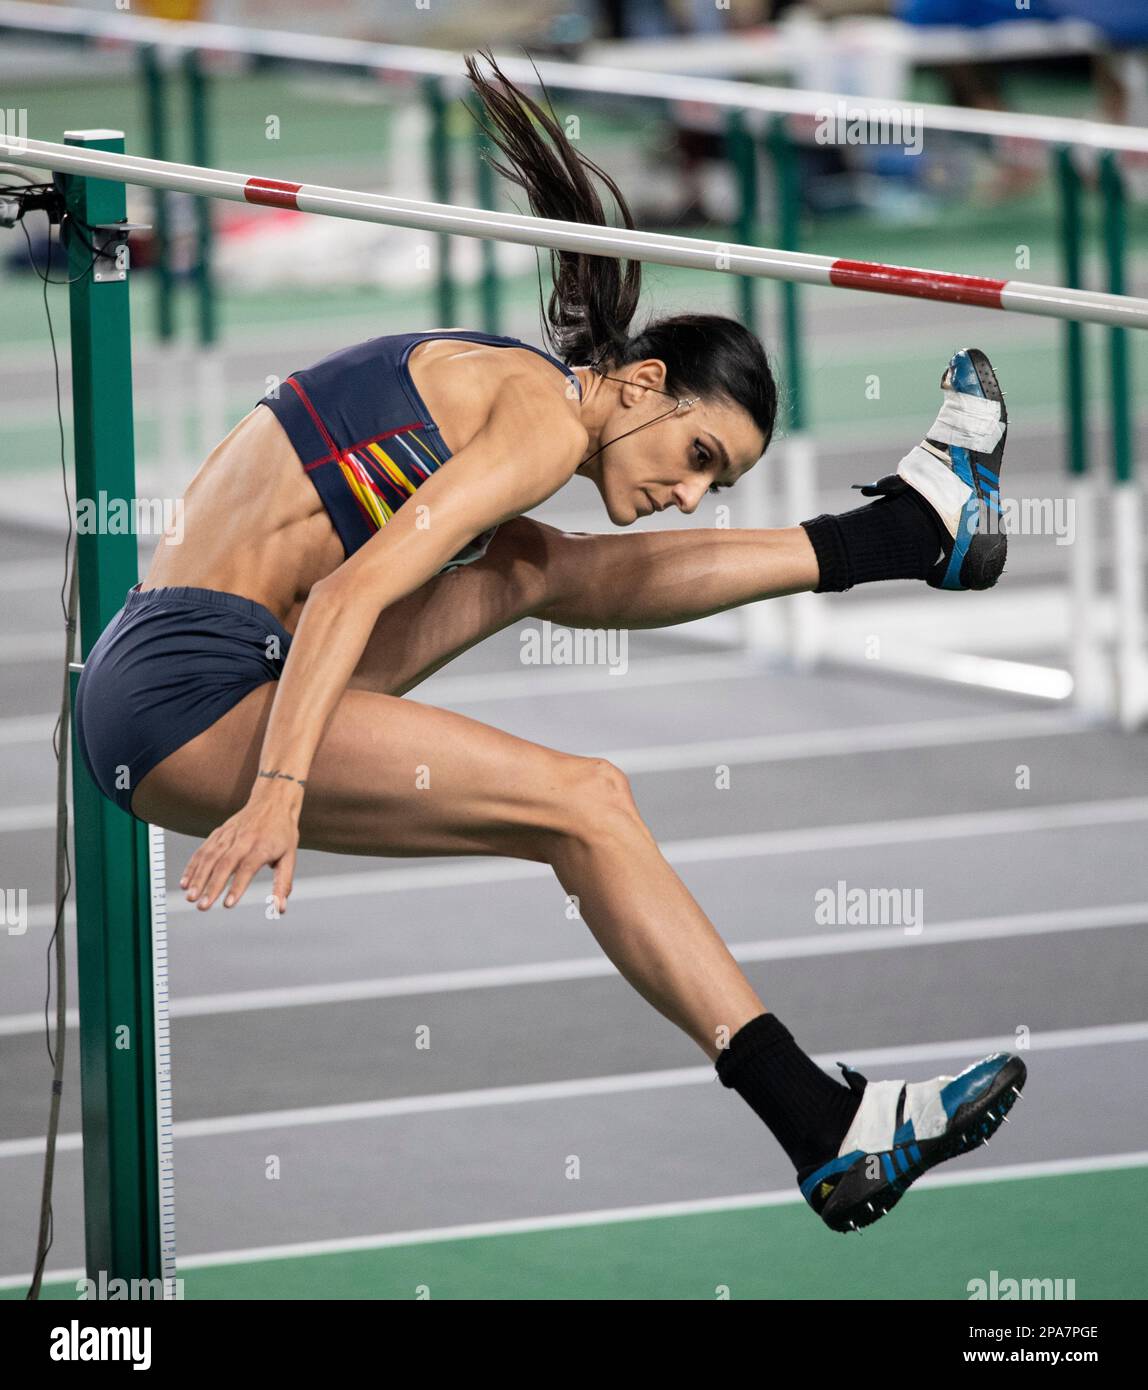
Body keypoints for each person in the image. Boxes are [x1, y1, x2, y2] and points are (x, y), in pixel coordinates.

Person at [74, 49, 1025, 1234]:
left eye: (712, 483)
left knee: (540, 568)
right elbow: (346, 595)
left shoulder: (500, 395)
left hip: (173, 671)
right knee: (588, 800)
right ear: (637, 386)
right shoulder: (530, 416)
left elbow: (438, 580)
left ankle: (908, 531)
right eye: (698, 458)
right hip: (192, 691)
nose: (690, 494)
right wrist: (275, 789)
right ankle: (818, 1125)